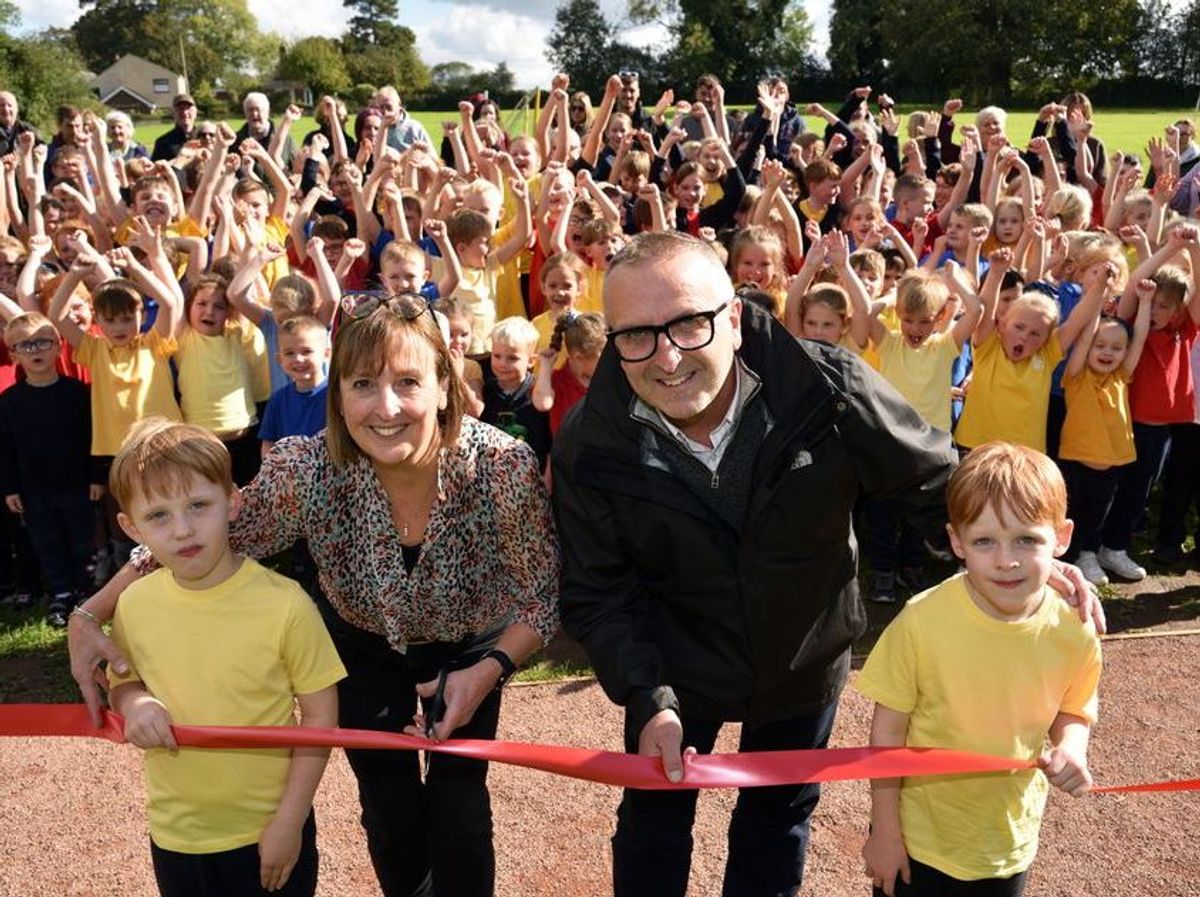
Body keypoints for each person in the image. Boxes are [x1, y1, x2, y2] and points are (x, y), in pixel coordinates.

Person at [552, 231, 1101, 897]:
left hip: (803, 652)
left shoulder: (828, 386)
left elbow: (935, 487)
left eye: (689, 324)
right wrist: (647, 697)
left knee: (777, 816)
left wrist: (1018, 557)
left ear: (731, 315)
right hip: (675, 662)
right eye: (636, 335)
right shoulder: (589, 443)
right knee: (654, 816)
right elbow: (598, 592)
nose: (667, 357)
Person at [69, 293, 561, 897]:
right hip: (360, 652)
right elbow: (207, 535)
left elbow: (542, 596)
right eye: (362, 383)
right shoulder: (308, 467)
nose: (385, 407)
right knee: (390, 812)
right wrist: (90, 613)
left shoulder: (502, 466)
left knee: (459, 810)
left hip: (473, 651)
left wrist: (489, 669)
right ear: (338, 393)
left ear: (444, 386)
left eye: (408, 382)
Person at [102, 418, 345, 897]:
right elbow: (122, 682)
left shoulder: (287, 604)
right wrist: (134, 703)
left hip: (267, 831)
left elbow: (321, 719)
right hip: (176, 836)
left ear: (232, 502)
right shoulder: (133, 605)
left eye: (198, 505)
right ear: (131, 527)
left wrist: (289, 822)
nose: (183, 529)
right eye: (158, 516)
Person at [858, 442, 1100, 897]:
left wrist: (1072, 746)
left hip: (1008, 841)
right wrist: (885, 831)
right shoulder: (921, 620)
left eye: (1027, 539)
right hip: (918, 840)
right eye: (984, 540)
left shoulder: (1075, 629)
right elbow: (886, 736)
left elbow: (1075, 707)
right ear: (956, 542)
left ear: (1062, 537)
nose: (1006, 560)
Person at [0, 312, 97, 626]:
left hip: (77, 483)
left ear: (58, 347)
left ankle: (85, 592)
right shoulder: (9, 401)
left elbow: (92, 436)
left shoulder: (78, 393)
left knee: (82, 540)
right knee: (47, 541)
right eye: (25, 346)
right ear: (13, 355)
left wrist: (97, 476)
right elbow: (6, 448)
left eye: (42, 342)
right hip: (34, 489)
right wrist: (10, 487)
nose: (35, 351)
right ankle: (61, 593)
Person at [151, 94, 197, 162]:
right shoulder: (163, 142)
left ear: (196, 112)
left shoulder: (205, 137)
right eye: (181, 108)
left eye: (188, 108)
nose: (185, 112)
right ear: (173, 113)